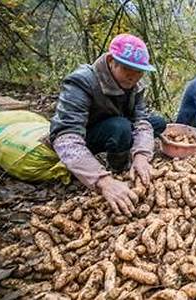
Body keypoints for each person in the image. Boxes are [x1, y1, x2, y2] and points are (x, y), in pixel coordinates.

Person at [50, 33, 167, 217]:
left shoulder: (135, 85)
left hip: (116, 122)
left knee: (157, 123)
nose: (134, 78)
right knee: (120, 128)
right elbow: (65, 136)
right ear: (112, 61)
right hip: (87, 134)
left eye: (139, 72)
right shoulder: (81, 81)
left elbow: (142, 121)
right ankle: (117, 169)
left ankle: (126, 161)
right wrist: (102, 181)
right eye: (128, 72)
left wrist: (142, 156)